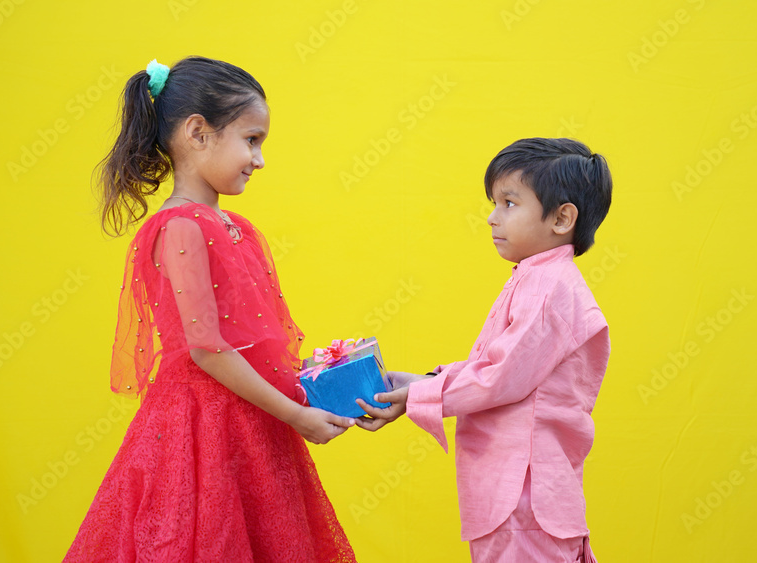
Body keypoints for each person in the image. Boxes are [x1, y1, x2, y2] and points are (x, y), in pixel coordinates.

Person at [65, 57, 356, 562]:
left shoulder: (237, 226)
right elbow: (206, 348)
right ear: (198, 132)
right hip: (201, 435)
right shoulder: (182, 227)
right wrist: (296, 415)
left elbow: (255, 340)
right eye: (251, 139)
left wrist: (322, 383)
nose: (259, 159)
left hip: (254, 425)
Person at [357, 138, 612, 562]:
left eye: (509, 203)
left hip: (524, 498)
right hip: (522, 498)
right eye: (494, 203)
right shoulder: (537, 279)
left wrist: (420, 394)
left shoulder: (550, 287)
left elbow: (499, 378)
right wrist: (424, 383)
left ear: (563, 217)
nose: (492, 218)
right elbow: (500, 369)